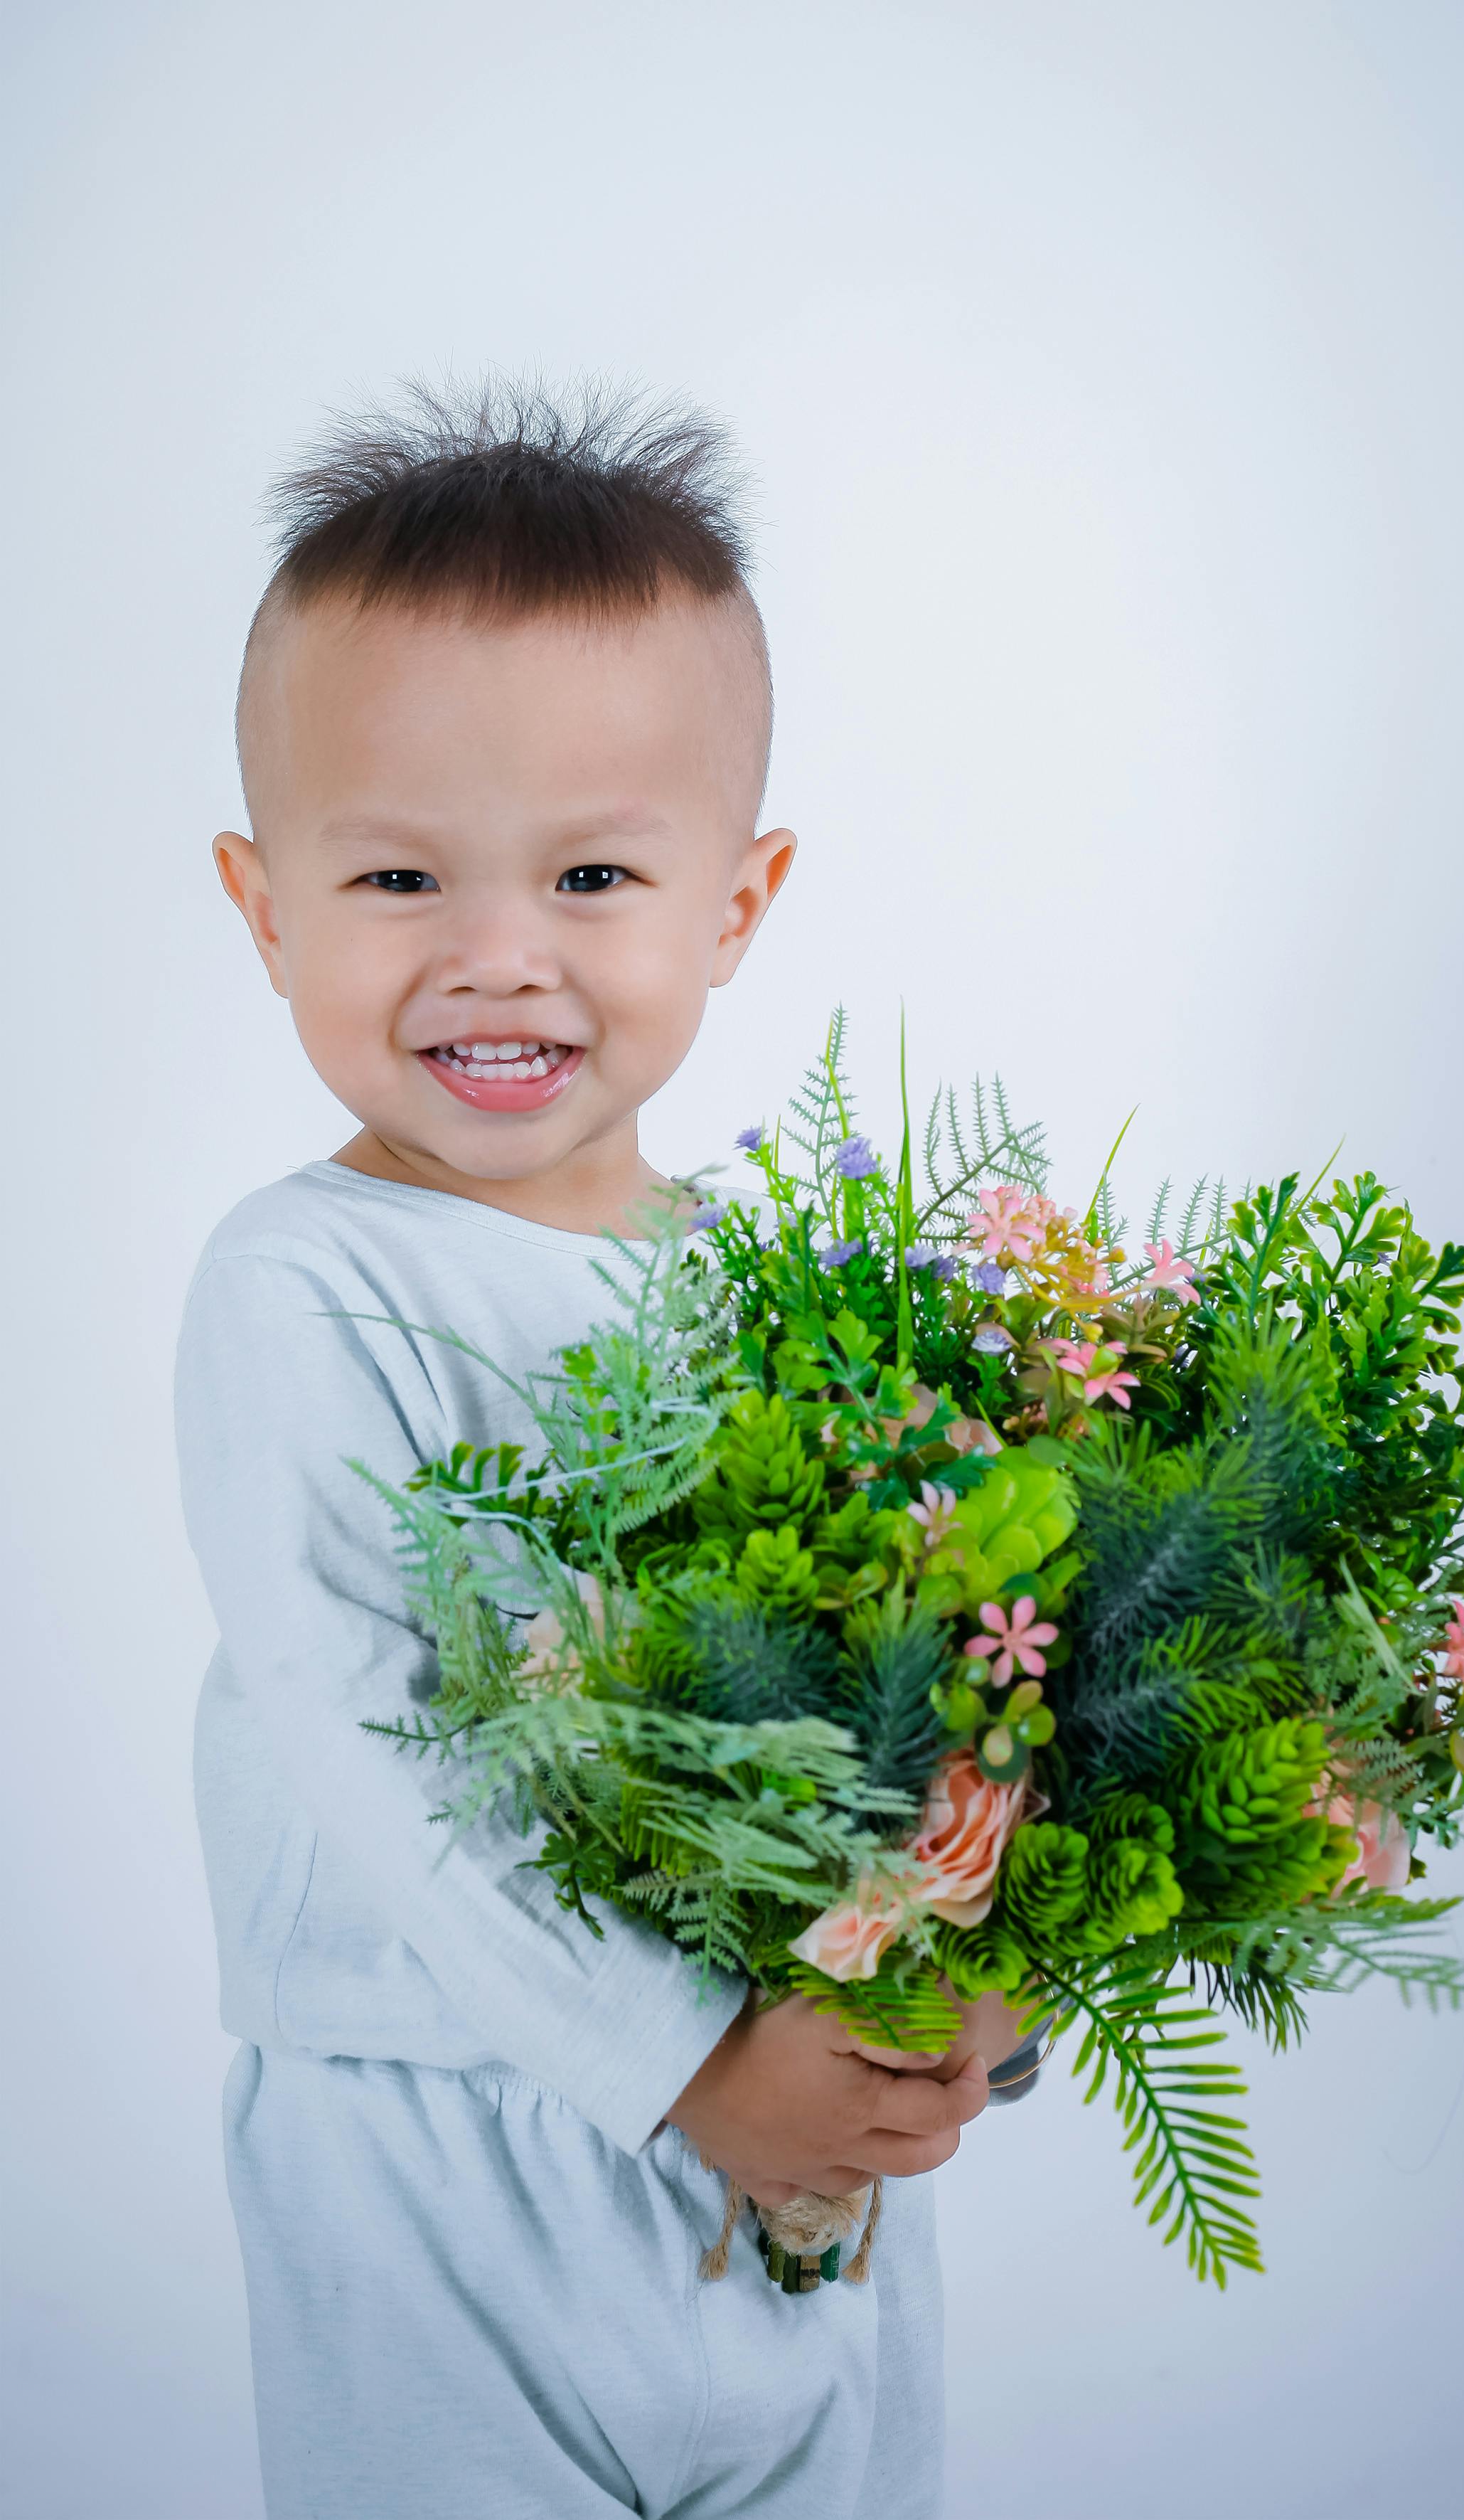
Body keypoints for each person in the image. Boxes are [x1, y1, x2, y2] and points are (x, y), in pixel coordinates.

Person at [176, 378, 1037, 2520]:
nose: (498, 956)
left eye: (591, 872)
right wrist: (677, 2068)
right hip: (442, 2137)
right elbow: (370, 1738)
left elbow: (942, 1673)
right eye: (394, 872)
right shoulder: (305, 1289)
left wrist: (976, 1992)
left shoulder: (784, 1309)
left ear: (732, 907)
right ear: (261, 902)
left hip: (791, 2151)